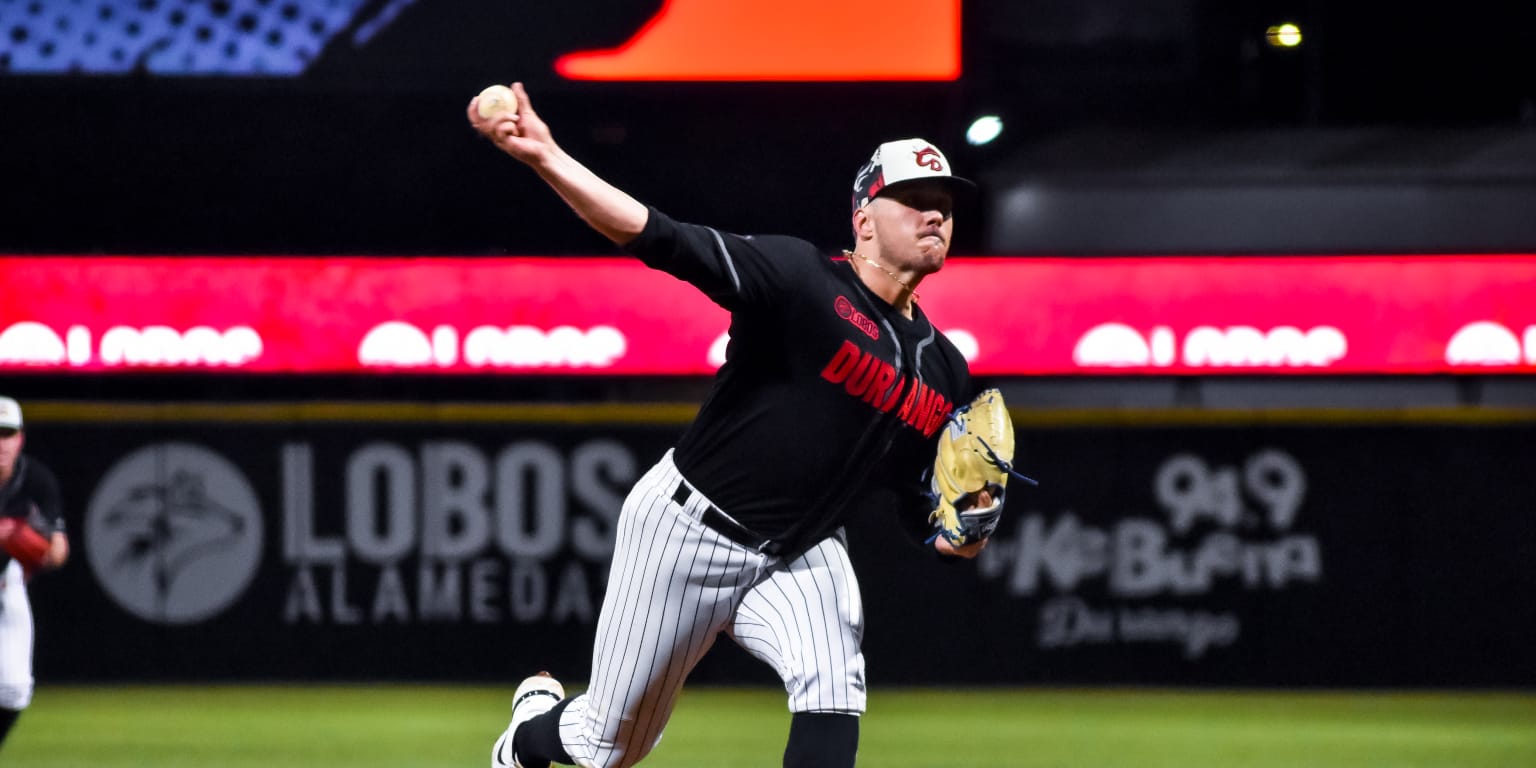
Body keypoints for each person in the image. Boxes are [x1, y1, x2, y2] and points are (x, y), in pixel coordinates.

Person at [468, 83, 995, 768]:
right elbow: (657, 235)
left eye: (945, 207)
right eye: (917, 202)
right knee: (609, 746)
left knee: (834, 684)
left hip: (799, 547)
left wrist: (958, 532)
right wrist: (548, 158)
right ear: (864, 218)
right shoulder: (801, 278)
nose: (936, 217)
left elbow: (906, 494)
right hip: (688, 528)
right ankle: (526, 736)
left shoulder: (944, 368)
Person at [0, 396, 69, 752]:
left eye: (6, 432)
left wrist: (32, 544)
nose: (0, 442)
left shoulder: (36, 480)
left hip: (4, 584)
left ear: (20, 438)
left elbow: (58, 553)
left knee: (13, 690)